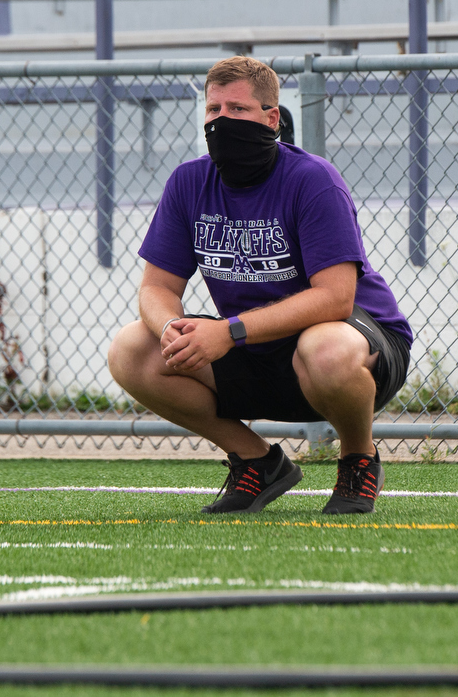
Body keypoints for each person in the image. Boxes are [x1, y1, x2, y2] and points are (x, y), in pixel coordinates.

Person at [108, 56, 412, 516]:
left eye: (237, 109)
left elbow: (336, 298)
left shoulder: (312, 179)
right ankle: (257, 462)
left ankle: (358, 459)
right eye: (213, 110)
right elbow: (155, 288)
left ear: (271, 119)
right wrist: (171, 327)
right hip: (253, 349)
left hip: (352, 347)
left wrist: (228, 331)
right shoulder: (189, 182)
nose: (221, 121)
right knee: (131, 348)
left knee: (324, 348)